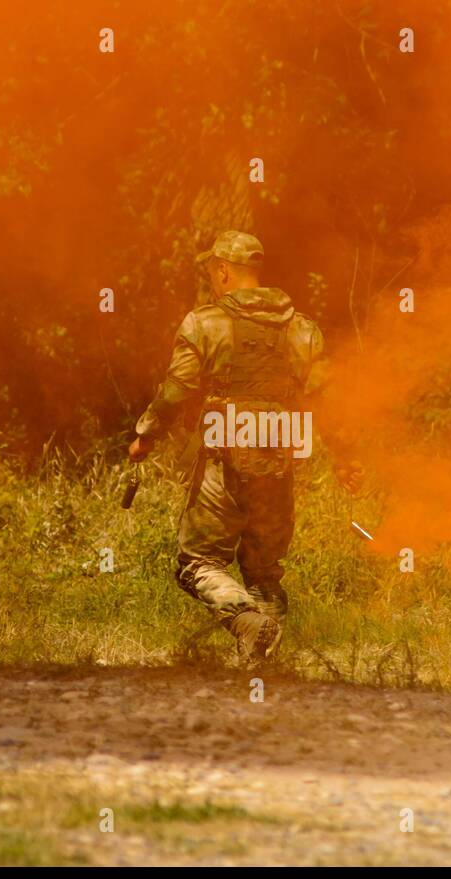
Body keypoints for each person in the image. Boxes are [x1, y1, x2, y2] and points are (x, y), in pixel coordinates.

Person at [128, 230, 357, 663]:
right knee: (264, 573)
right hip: (278, 456)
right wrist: (348, 459)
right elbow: (331, 401)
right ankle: (264, 667)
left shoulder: (204, 323)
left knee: (197, 564)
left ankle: (249, 624)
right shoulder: (302, 330)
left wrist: (147, 435)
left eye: (213, 272)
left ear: (222, 270)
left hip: (225, 455)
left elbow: (177, 390)